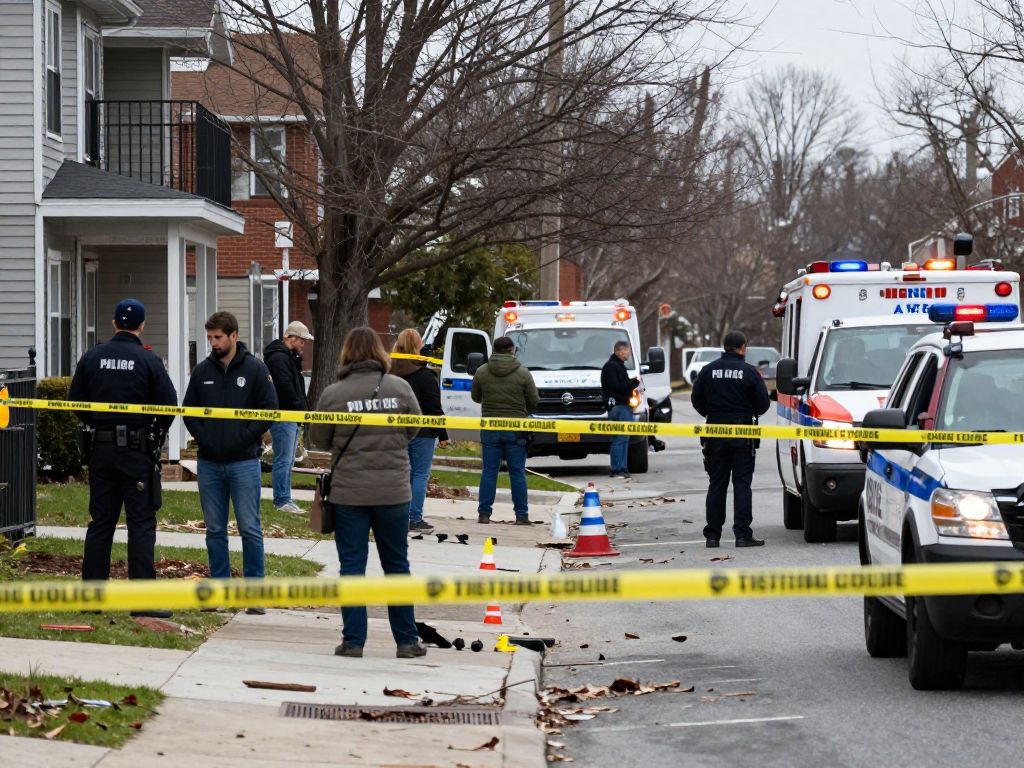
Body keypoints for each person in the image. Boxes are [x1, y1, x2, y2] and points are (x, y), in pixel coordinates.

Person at [308, 326, 426, 659]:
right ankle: (406, 641)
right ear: (379, 351)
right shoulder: (400, 388)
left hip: (350, 494)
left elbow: (318, 438)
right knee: (397, 566)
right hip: (393, 493)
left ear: (346, 353)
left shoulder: (333, 394)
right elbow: (413, 429)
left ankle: (353, 641)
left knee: (352, 567)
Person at [69, 299, 178, 619]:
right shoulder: (148, 360)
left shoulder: (93, 356)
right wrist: (153, 434)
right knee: (141, 524)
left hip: (101, 451)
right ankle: (142, 600)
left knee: (101, 523)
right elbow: (168, 405)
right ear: (141, 325)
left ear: (115, 323)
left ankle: (91, 599)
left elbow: (76, 401)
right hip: (135, 451)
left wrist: (98, 425)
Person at [183, 312, 278, 614]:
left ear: (234, 336)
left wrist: (246, 438)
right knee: (214, 530)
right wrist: (203, 438)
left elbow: (269, 409)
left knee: (250, 529)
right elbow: (189, 410)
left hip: (244, 462)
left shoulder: (255, 369)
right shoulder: (202, 372)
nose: (213, 343)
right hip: (209, 463)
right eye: (210, 338)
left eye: (218, 338)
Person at [691, 331, 771, 548]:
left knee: (717, 484)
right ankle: (743, 535)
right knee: (742, 484)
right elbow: (763, 404)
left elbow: (696, 400)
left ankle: (713, 536)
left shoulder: (708, 371)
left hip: (715, 433)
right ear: (743, 347)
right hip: (742, 435)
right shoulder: (749, 372)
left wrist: (713, 414)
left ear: (724, 346)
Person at [470, 336, 539, 525]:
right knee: (517, 473)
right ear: (512, 350)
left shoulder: (482, 372)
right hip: (516, 429)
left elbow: (476, 397)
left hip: (490, 427)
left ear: (494, 350)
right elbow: (533, 402)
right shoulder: (523, 373)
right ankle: (521, 516)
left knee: (489, 471)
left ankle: (484, 514)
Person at [391, 328, 449, 535]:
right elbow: (434, 408)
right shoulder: (425, 376)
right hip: (423, 432)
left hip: (396, 431)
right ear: (416, 347)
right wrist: (443, 434)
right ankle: (414, 518)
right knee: (419, 475)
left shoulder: (390, 373)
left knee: (403, 475)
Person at [264, 321, 313, 514]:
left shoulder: (289, 358)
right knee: (283, 460)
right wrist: (300, 407)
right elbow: (285, 389)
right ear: (290, 338)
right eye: (302, 340)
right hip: (284, 415)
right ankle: (282, 500)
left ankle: (286, 498)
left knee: (288, 460)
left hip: (291, 415)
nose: (304, 344)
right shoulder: (279, 359)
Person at [601, 340, 640, 479]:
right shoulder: (612, 367)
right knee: (620, 439)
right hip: (619, 407)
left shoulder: (617, 366)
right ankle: (617, 469)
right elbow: (618, 387)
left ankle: (622, 468)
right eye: (627, 350)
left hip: (622, 407)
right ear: (619, 351)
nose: (629, 353)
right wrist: (634, 382)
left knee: (624, 439)